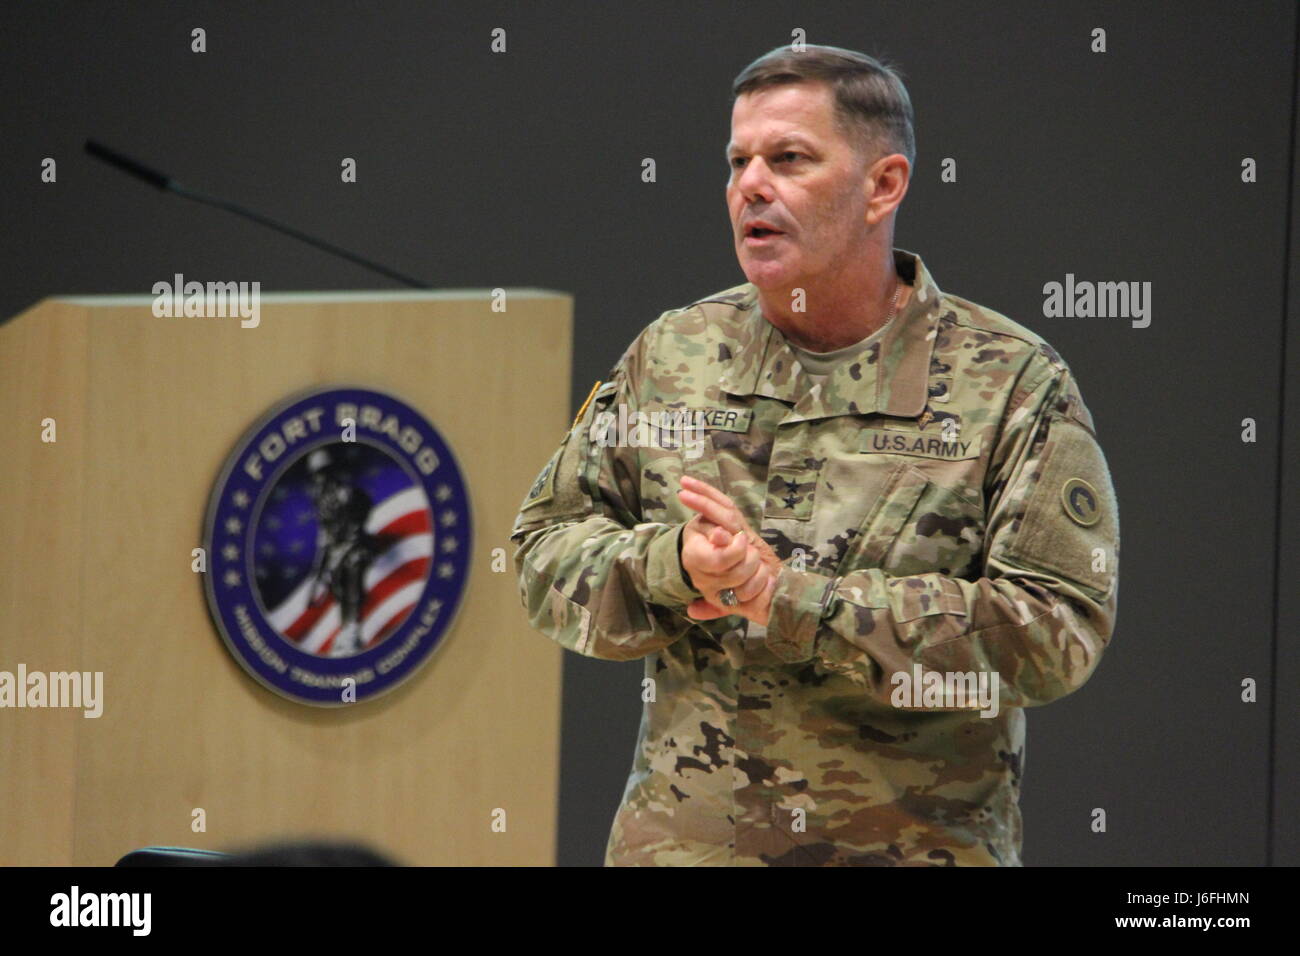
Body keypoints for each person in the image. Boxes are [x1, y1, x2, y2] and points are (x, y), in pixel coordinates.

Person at [510, 44, 1120, 866]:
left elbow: (1057, 633)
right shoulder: (673, 354)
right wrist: (676, 566)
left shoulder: (1010, 382)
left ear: (885, 185)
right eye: (738, 162)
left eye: (789, 159)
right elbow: (541, 556)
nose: (750, 186)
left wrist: (795, 602)